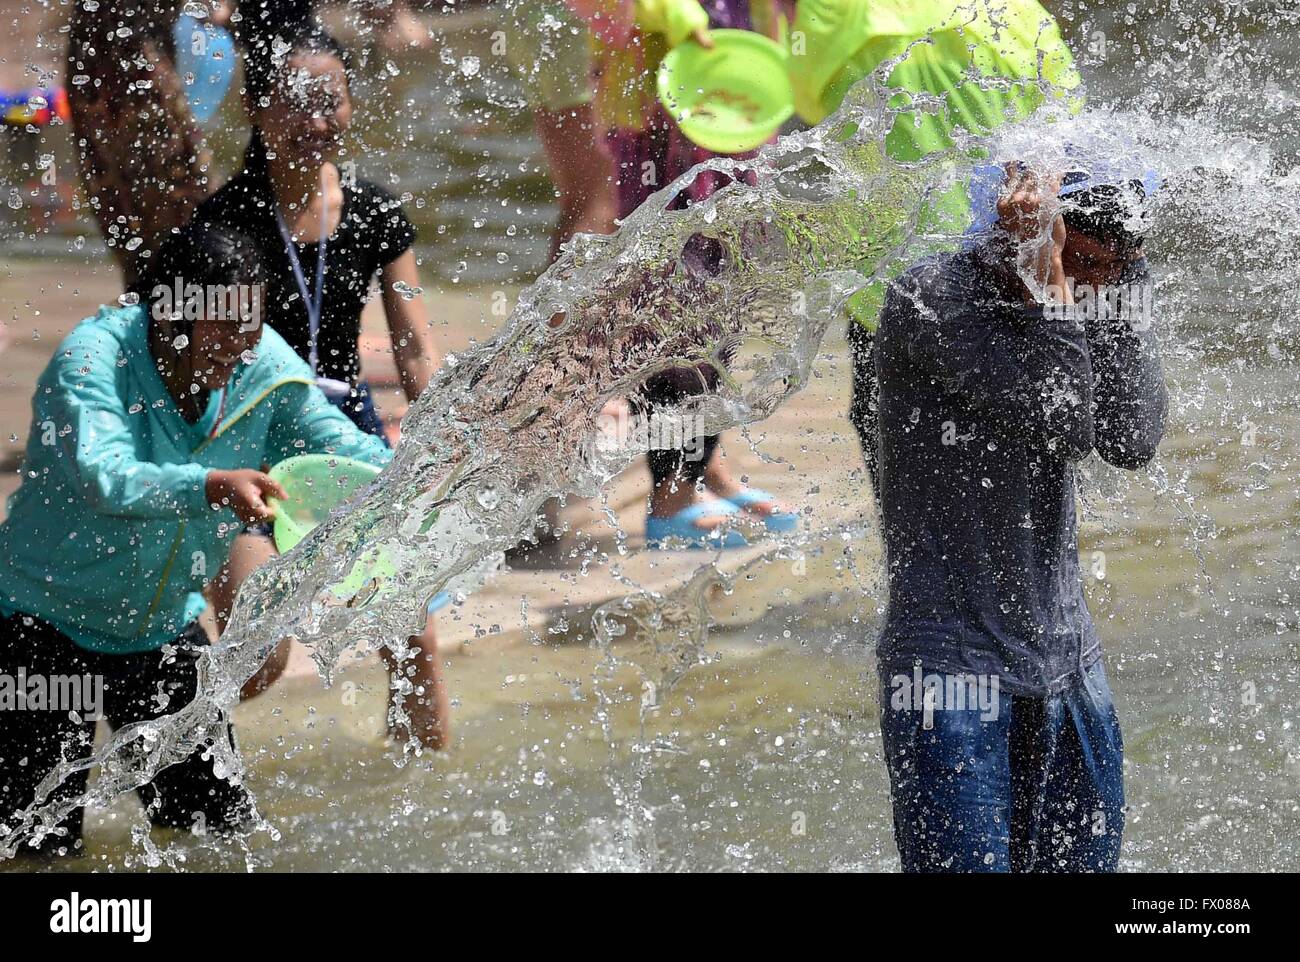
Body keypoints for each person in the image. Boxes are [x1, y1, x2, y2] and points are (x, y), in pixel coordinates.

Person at [0, 223, 445, 858]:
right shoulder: (94, 359)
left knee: (219, 840)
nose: (241, 347)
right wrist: (208, 485)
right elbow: (105, 477)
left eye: (250, 327)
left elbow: (332, 442)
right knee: (33, 850)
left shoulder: (258, 360)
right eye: (223, 328)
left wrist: (408, 480)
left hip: (158, 628)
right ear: (170, 309)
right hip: (41, 629)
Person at [868, 162, 1167, 872]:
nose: (1092, 287)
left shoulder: (1101, 291)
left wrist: (1123, 287)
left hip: (1071, 664)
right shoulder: (930, 297)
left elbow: (1132, 437)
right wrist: (1049, 288)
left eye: (1110, 271)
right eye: (1080, 263)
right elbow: (1065, 424)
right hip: (950, 673)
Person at [192, 26, 446, 673]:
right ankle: (175, 728)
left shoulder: (376, 211)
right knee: (260, 653)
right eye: (295, 101)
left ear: (352, 104)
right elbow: (196, 360)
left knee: (413, 642)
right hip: (251, 446)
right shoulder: (225, 223)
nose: (316, 119)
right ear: (253, 108)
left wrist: (441, 442)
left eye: (329, 99)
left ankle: (416, 771)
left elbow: (415, 343)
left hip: (346, 433)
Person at [567, 0, 799, 548]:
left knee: (725, 299)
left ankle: (705, 469)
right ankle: (670, 497)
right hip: (659, 123)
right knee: (675, 314)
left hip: (731, 113)